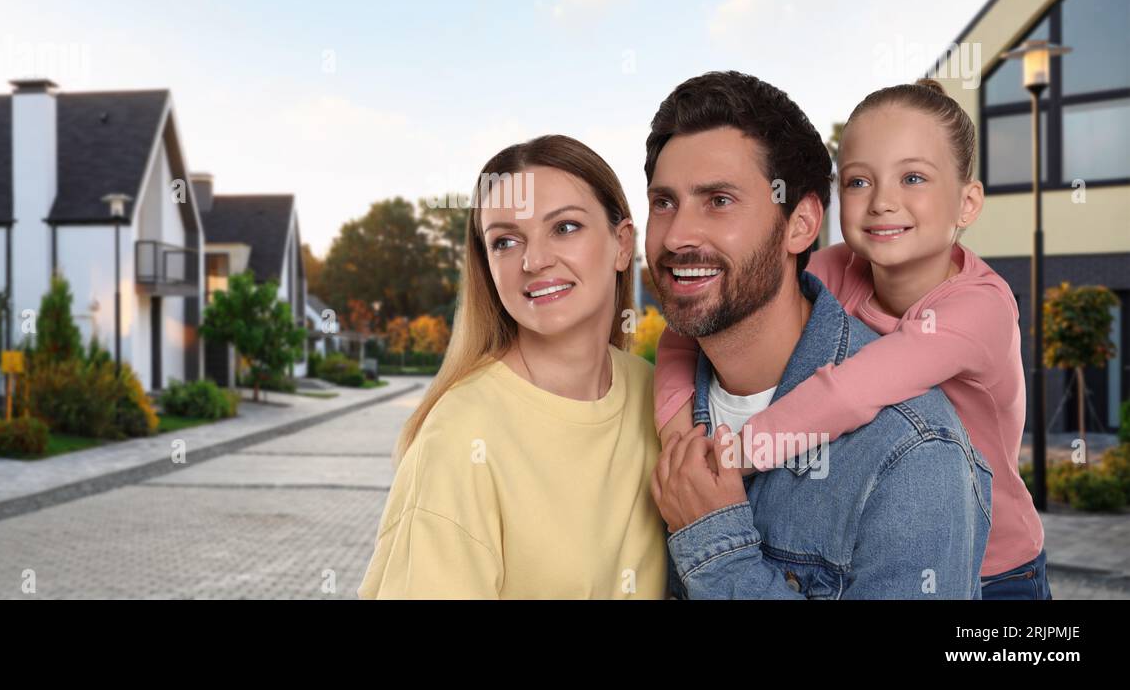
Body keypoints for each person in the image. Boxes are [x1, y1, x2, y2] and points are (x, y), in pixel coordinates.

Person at [654, 78, 1049, 600]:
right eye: (860, 183)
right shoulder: (840, 267)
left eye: (913, 178)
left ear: (967, 203)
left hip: (999, 565)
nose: (883, 202)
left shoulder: (978, 309)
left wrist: (732, 457)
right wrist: (677, 432)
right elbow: (697, 322)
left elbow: (850, 391)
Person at [358, 135, 667, 598]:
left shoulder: (657, 396)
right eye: (505, 241)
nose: (535, 260)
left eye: (564, 228)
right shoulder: (460, 437)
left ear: (623, 244)